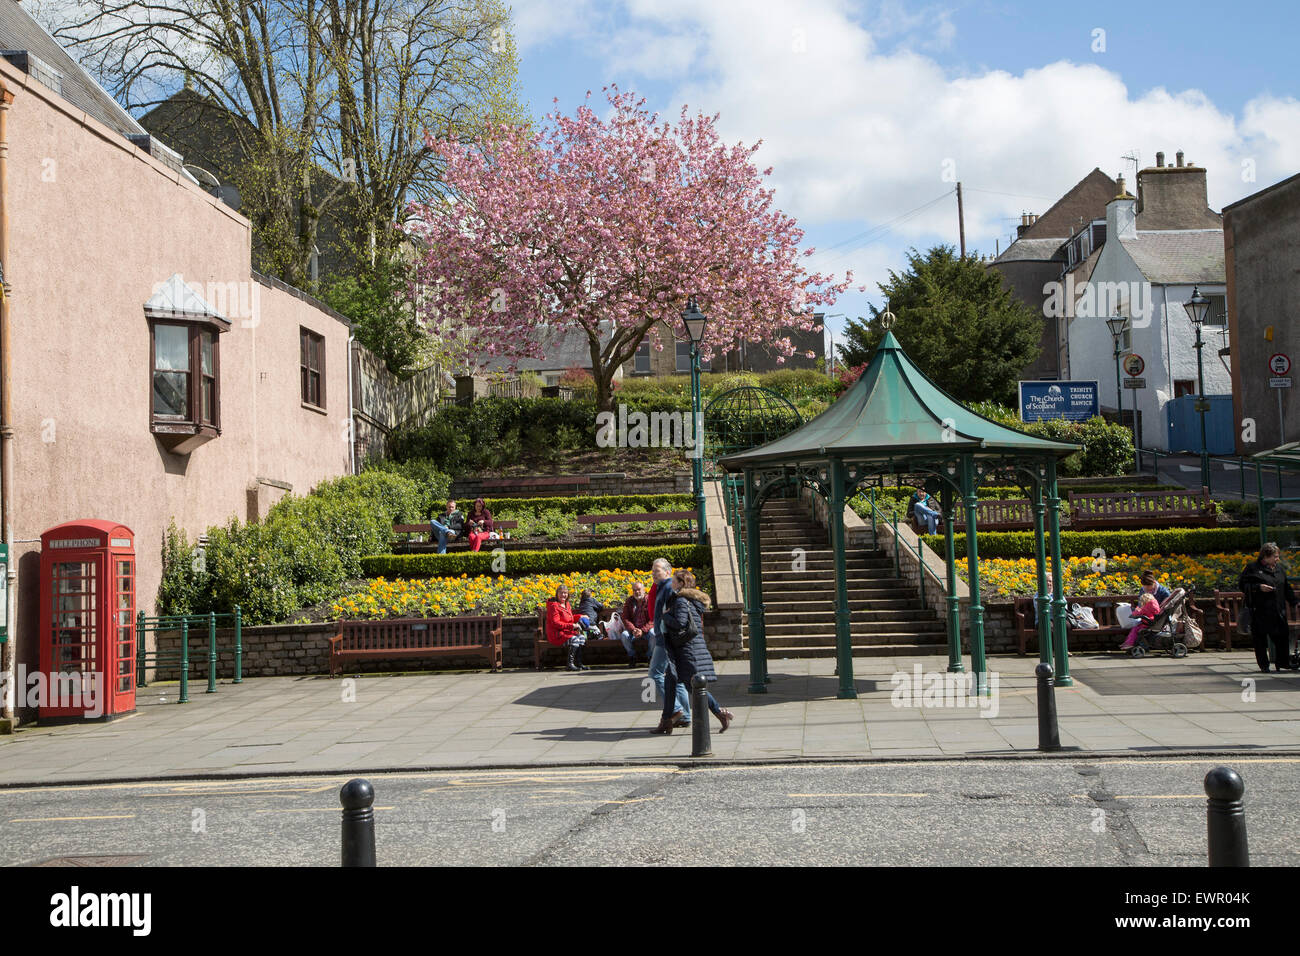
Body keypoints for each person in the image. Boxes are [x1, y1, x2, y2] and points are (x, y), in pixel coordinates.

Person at [654, 569, 735, 734]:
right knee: (670, 683)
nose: (671, 583)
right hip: (683, 650)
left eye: (674, 580)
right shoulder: (690, 600)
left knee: (695, 688)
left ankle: (720, 713)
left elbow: (681, 623)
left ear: (681, 583)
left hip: (686, 651)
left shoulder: (682, 601)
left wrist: (665, 616)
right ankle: (666, 721)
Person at [1238, 543, 1298, 673]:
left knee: (1282, 636)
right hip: (1260, 611)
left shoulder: (1279, 569)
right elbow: (1243, 585)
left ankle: (1283, 662)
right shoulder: (1252, 568)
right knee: (1260, 640)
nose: (1277, 559)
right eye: (1275, 557)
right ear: (1265, 556)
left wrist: (1294, 602)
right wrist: (1259, 588)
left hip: (1278, 610)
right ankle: (1264, 665)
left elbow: (1286, 587)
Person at [646, 557, 691, 725]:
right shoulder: (661, 587)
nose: (653, 574)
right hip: (667, 637)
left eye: (656, 570)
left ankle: (676, 709)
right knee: (676, 677)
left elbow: (673, 613)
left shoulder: (668, 588)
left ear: (667, 571)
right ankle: (685, 716)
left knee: (655, 673)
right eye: (652, 570)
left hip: (665, 638)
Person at [545, 584, 587, 672]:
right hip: (556, 633)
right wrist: (572, 626)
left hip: (566, 631)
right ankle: (569, 664)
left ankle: (579, 663)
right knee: (575, 639)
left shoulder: (567, 604)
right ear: (557, 594)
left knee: (582, 638)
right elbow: (556, 623)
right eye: (561, 593)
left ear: (568, 595)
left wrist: (580, 616)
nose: (563, 595)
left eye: (565, 593)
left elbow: (569, 618)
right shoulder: (554, 606)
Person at [619, 581, 651, 668]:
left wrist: (643, 630)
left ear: (644, 590)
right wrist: (633, 629)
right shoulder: (629, 601)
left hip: (646, 630)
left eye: (639, 589)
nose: (637, 592)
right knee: (624, 635)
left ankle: (650, 657)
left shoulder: (650, 600)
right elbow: (625, 618)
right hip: (633, 630)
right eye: (634, 590)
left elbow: (653, 619)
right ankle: (632, 657)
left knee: (654, 634)